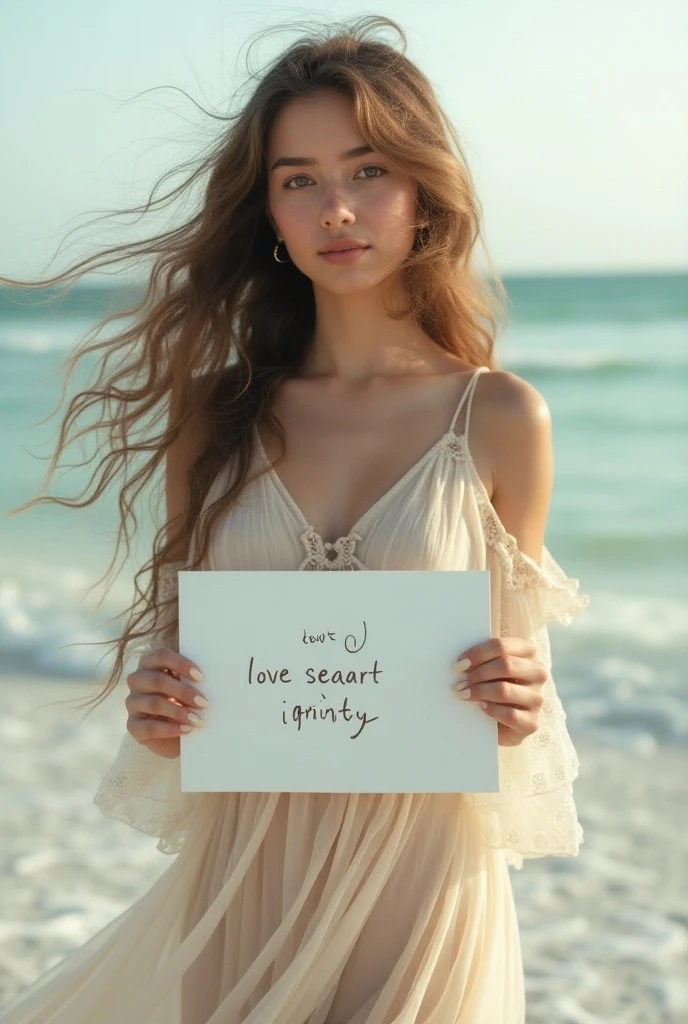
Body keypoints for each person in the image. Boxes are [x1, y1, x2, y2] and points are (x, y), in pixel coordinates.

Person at [1, 15, 589, 1024]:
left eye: (366, 170)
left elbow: (513, 685)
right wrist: (160, 704)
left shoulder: (498, 418)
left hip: (420, 878)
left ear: (421, 190)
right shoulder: (219, 418)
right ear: (269, 208)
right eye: (299, 178)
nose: (338, 208)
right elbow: (185, 664)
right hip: (247, 873)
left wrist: (524, 691)